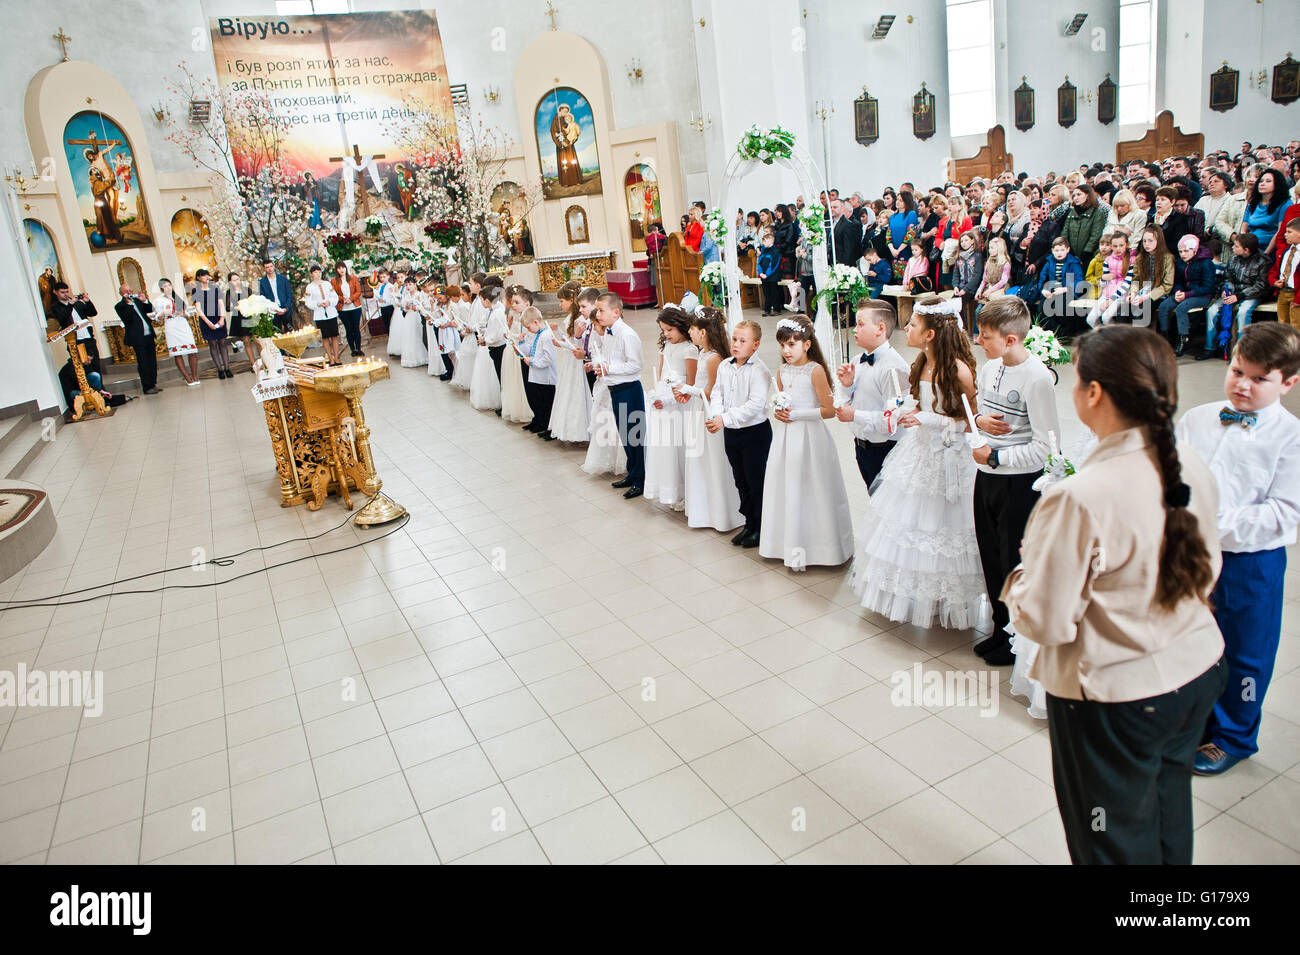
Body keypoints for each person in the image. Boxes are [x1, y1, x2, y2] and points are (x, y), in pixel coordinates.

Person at [1003, 325, 1226, 865]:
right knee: (1168, 808)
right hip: (1195, 669)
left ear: (1094, 393)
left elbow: (1048, 622)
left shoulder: (1081, 496)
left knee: (1110, 840)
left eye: (1075, 381)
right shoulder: (1188, 462)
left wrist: (1019, 579)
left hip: (1119, 694)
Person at [1174, 323, 1300, 777]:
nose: (1242, 385)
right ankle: (1199, 720)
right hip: (1193, 552)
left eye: (1259, 378)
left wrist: (1213, 523)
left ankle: (1234, 736)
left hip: (1251, 562)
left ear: (1288, 382)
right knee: (1195, 639)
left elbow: (1284, 513)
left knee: (1245, 651)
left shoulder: (1291, 437)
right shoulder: (1199, 419)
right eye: (1236, 371)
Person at [850, 296, 987, 629]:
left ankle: (950, 597)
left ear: (930, 334)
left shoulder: (957, 370)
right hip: (919, 453)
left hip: (948, 456)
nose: (907, 328)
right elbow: (916, 402)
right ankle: (924, 593)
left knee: (944, 526)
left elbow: (968, 422)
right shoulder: (920, 363)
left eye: (912, 324)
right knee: (914, 524)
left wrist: (928, 419)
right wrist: (905, 412)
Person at [968, 298, 1059, 666]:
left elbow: (1046, 448)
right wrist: (978, 420)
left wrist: (996, 456)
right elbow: (980, 412)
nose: (978, 340)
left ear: (1009, 339)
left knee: (1012, 563)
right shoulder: (990, 368)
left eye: (985, 336)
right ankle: (998, 627)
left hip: (1017, 483)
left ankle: (1016, 638)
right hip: (986, 476)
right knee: (989, 556)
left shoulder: (1037, 378)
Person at [759, 316, 853, 569]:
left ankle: (823, 549)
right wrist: (778, 412)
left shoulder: (816, 370)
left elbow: (829, 410)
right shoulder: (781, 371)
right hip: (786, 438)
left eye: (791, 344)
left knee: (814, 489)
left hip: (810, 438)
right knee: (788, 488)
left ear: (807, 344)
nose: (786, 351)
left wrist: (797, 415)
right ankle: (787, 545)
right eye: (782, 346)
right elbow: (781, 400)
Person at [676, 307, 743, 532]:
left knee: (712, 460)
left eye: (692, 329)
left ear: (703, 332)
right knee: (699, 459)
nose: (690, 333)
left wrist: (689, 389)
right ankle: (703, 509)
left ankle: (722, 513)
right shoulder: (703, 353)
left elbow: (713, 392)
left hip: (709, 411)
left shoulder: (714, 357)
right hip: (698, 409)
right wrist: (689, 390)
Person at [706, 319, 772, 548]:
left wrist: (725, 418)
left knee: (756, 482)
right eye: (734, 339)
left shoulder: (760, 370)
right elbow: (717, 393)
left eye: (743, 341)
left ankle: (762, 527)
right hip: (731, 432)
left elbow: (755, 405)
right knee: (740, 480)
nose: (736, 344)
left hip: (754, 433)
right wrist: (716, 414)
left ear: (755, 345)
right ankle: (749, 523)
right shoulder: (725, 366)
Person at [836, 299, 911, 490]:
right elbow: (848, 401)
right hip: (862, 446)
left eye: (861, 324)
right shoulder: (857, 360)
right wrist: (847, 386)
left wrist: (854, 415)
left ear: (880, 328)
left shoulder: (894, 368)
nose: (854, 329)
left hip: (885, 450)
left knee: (889, 507)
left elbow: (892, 420)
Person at [642, 307, 698, 509]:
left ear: (681, 326)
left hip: (680, 405)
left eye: (669, 330)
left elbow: (690, 384)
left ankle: (687, 492)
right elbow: (661, 374)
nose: (666, 334)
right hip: (664, 400)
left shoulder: (690, 349)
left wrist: (670, 399)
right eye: (663, 330)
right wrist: (657, 395)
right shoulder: (666, 345)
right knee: (666, 448)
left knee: (680, 447)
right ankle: (672, 489)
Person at [595, 292, 646, 499]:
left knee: (635, 436)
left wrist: (609, 368)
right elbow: (610, 360)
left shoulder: (627, 334)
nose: (597, 314)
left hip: (629, 389)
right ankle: (632, 473)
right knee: (625, 435)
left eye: (601, 310)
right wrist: (599, 366)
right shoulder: (609, 332)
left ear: (616, 312)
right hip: (615, 389)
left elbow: (635, 365)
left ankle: (640, 479)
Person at [581, 288, 627, 478]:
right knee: (602, 420)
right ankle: (605, 458)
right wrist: (595, 364)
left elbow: (628, 364)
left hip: (615, 383)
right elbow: (605, 357)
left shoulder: (621, 335)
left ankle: (620, 459)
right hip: (603, 382)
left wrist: (605, 366)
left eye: (600, 313)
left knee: (614, 422)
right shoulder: (606, 334)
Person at [1199, 233, 1269, 360]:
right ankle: (1210, 348)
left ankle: (1242, 350)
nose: (1232, 248)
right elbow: (1228, 278)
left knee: (1243, 312)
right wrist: (1226, 290)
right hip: (1233, 292)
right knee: (1212, 311)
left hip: (1251, 294)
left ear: (1246, 250)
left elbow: (1261, 286)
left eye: (1236, 246)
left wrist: (1240, 296)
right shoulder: (1233, 259)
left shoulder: (1263, 261)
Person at [547, 281, 592, 443]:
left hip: (576, 360)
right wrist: (557, 332)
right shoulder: (570, 317)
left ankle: (582, 431)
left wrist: (560, 343)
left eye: (562, 301)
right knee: (568, 392)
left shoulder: (581, 319)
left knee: (578, 394)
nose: (560, 304)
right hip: (569, 360)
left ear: (571, 300)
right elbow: (569, 338)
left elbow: (577, 344)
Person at [1158, 235, 1216, 356]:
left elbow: (1208, 287)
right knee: (1164, 306)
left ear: (1194, 250)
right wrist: (1178, 291)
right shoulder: (1180, 262)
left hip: (1202, 295)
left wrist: (1187, 294)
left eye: (1186, 251)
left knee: (1181, 308)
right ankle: (1164, 339)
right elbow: (1178, 281)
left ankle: (1182, 341)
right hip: (1184, 293)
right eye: (1180, 251)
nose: (1183, 254)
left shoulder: (1206, 263)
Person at [519, 306, 558, 441]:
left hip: (547, 377)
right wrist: (522, 343)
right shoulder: (539, 334)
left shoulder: (546, 335)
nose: (528, 330)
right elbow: (531, 351)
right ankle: (544, 424)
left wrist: (533, 362)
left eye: (528, 327)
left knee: (548, 404)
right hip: (539, 376)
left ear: (536, 322)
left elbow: (548, 358)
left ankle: (550, 428)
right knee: (541, 402)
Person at [114, 285, 161, 394]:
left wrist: (145, 301)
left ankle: (153, 383)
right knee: (143, 362)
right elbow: (127, 319)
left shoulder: (138, 301)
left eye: (130, 290)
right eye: (126, 291)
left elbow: (150, 309)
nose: (129, 292)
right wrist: (129, 304)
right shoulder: (120, 306)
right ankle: (147, 387)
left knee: (152, 361)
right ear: (121, 293)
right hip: (137, 338)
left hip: (148, 335)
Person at [1035, 236, 1087, 333]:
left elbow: (1079, 281)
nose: (1059, 253)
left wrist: (1064, 289)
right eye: (1056, 250)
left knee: (1060, 307)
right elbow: (1042, 278)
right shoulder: (1049, 262)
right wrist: (1043, 290)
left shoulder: (1073, 263)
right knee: (1043, 307)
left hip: (1067, 291)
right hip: (1052, 290)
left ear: (1068, 250)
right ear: (1052, 251)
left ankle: (1061, 332)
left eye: (1062, 250)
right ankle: (1051, 332)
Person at [153, 278, 199, 386]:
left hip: (182, 324)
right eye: (165, 286)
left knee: (191, 351)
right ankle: (187, 377)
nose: (168, 288)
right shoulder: (159, 300)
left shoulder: (178, 297)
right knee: (177, 353)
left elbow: (188, 312)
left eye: (169, 285)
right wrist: (163, 313)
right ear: (161, 289)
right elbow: (157, 317)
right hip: (171, 325)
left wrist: (184, 314)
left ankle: (195, 375)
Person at [501, 285, 535, 426]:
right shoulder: (514, 315)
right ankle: (518, 409)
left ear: (526, 304)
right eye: (512, 302)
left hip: (525, 352)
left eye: (516, 302)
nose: (513, 305)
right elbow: (512, 329)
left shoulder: (531, 317)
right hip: (514, 350)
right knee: (515, 381)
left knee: (526, 383)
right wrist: (510, 335)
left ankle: (529, 411)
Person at [469, 283, 504, 412]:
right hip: (495, 347)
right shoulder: (494, 311)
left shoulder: (496, 313)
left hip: (498, 347)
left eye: (482, 300)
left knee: (501, 376)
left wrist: (484, 339)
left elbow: (496, 335)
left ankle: (503, 403)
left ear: (487, 300)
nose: (481, 302)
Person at [191, 269, 232, 379]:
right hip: (206, 319)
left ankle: (227, 368)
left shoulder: (215, 288)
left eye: (207, 275)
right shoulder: (196, 290)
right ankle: (219, 370)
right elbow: (198, 309)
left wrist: (222, 318)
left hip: (218, 316)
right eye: (203, 276)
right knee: (212, 344)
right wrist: (208, 323)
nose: (206, 277)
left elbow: (221, 304)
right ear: (199, 278)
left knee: (223, 343)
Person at [50, 283, 100, 373]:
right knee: (84, 369)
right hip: (75, 342)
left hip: (88, 339)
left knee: (96, 366)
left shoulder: (77, 304)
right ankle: (89, 387)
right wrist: (70, 305)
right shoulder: (55, 307)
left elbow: (92, 313)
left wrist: (88, 302)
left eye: (67, 291)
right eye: (62, 292)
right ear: (55, 292)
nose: (66, 294)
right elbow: (62, 318)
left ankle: (100, 387)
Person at [1242, 169, 1292, 256]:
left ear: (1277, 184)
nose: (1262, 183)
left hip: (1271, 251)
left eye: (1268, 181)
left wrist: (1266, 253)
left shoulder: (1285, 204)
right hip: (1250, 249)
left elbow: (1280, 232)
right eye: (1261, 181)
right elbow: (1243, 230)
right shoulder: (1252, 204)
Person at [303, 265, 342, 366]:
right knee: (325, 337)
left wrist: (329, 302)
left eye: (319, 272)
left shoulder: (327, 284)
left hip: (330, 312)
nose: (318, 274)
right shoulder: (309, 287)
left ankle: (336, 357)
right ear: (311, 274)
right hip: (320, 314)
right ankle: (330, 358)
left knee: (334, 336)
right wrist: (318, 304)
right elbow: (308, 302)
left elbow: (335, 296)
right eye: (315, 272)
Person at [1270, 218, 1300, 327]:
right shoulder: (1284, 251)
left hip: (1296, 296)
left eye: (1289, 232)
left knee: (1296, 327)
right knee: (1282, 326)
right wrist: (1274, 281)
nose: (1285, 235)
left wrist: (1298, 299)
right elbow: (1274, 270)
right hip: (1282, 293)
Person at [224, 272, 255, 372]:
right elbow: (228, 307)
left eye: (237, 279)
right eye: (234, 280)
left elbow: (254, 301)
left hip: (250, 316)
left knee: (258, 340)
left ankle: (264, 362)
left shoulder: (247, 290)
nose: (236, 282)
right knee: (246, 341)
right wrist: (237, 306)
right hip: (239, 318)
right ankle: (253, 364)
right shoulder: (229, 292)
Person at [333, 262, 364, 358]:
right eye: (339, 268)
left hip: (355, 307)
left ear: (346, 268)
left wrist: (351, 299)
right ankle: (352, 349)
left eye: (343, 267)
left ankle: (358, 349)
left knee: (356, 328)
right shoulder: (334, 281)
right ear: (336, 270)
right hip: (343, 309)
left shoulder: (353, 278)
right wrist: (343, 300)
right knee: (348, 329)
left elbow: (358, 291)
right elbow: (334, 294)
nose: (341, 270)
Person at [258, 261, 294, 332]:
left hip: (285, 309)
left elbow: (289, 294)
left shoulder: (283, 279)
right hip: (272, 312)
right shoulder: (262, 282)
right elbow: (262, 298)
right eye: (267, 267)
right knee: (276, 333)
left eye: (271, 266)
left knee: (290, 331)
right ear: (264, 269)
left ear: (274, 267)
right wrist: (272, 309)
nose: (269, 269)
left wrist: (286, 308)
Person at [757, 232, 783, 316]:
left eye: (765, 241)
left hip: (772, 276)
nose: (763, 243)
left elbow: (774, 265)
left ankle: (776, 309)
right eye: (763, 241)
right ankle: (767, 309)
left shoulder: (775, 251)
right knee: (766, 293)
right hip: (764, 276)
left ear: (771, 241)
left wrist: (767, 274)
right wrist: (760, 273)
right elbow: (759, 262)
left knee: (774, 292)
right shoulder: (764, 251)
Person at [372, 267, 398, 335]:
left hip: (389, 307)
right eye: (381, 277)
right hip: (383, 308)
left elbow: (393, 299)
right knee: (386, 324)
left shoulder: (391, 286)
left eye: (384, 277)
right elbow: (376, 296)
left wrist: (384, 300)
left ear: (388, 276)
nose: (382, 279)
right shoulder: (380, 286)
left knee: (391, 324)